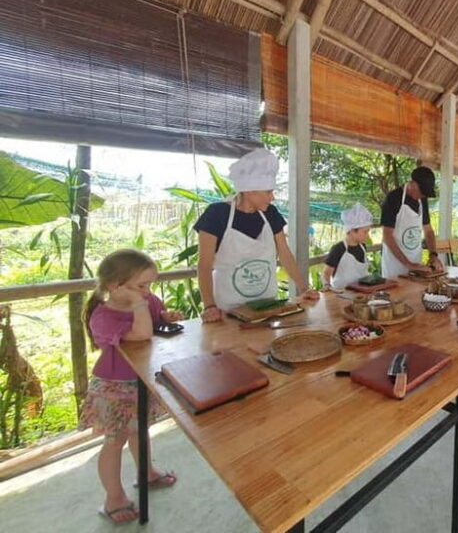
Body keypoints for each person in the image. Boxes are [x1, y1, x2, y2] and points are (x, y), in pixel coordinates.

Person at [78, 249, 182, 524]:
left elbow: (157, 320)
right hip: (113, 387)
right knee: (115, 440)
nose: (148, 292)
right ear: (114, 285)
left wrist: (167, 316)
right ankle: (113, 496)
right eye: (141, 285)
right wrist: (139, 306)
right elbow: (140, 334)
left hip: (141, 380)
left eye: (149, 285)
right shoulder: (103, 316)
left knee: (140, 430)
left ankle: (146, 472)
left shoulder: (148, 300)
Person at [194, 148, 319, 323]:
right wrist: (209, 306)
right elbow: (204, 264)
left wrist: (303, 288)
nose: (272, 197)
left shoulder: (271, 214)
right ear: (250, 190)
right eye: (268, 191)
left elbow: (285, 254)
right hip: (229, 311)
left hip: (267, 308)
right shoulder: (217, 214)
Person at [380, 165, 444, 277]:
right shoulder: (393, 198)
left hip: (416, 265)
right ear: (412, 184)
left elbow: (428, 231)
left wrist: (433, 255)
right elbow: (387, 236)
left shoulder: (422, 201)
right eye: (422, 192)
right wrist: (408, 264)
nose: (422, 196)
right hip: (394, 267)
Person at [323, 203, 373, 290]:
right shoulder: (338, 249)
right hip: (341, 294)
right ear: (352, 231)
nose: (367, 235)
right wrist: (327, 286)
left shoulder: (363, 247)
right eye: (365, 232)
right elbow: (326, 274)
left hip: (361, 292)